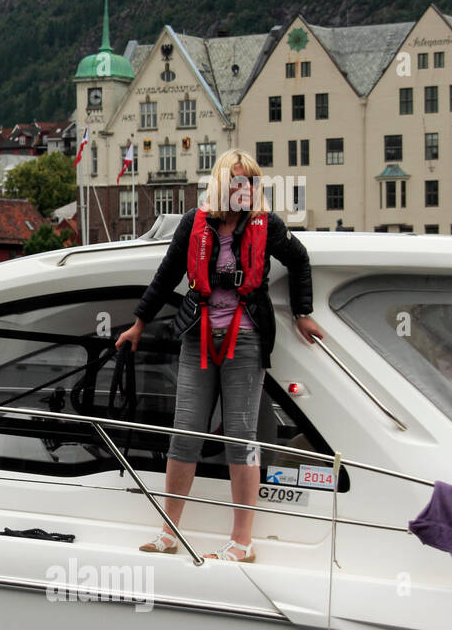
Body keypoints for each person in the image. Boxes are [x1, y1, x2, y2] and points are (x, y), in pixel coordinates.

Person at [115, 148, 323, 562]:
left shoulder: (268, 225)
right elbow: (168, 274)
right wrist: (139, 322)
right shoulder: (194, 224)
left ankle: (241, 542)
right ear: (222, 182)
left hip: (246, 339)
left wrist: (303, 313)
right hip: (198, 335)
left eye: (250, 180)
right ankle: (168, 531)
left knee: (241, 438)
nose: (243, 187)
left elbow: (299, 260)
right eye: (237, 179)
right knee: (185, 431)